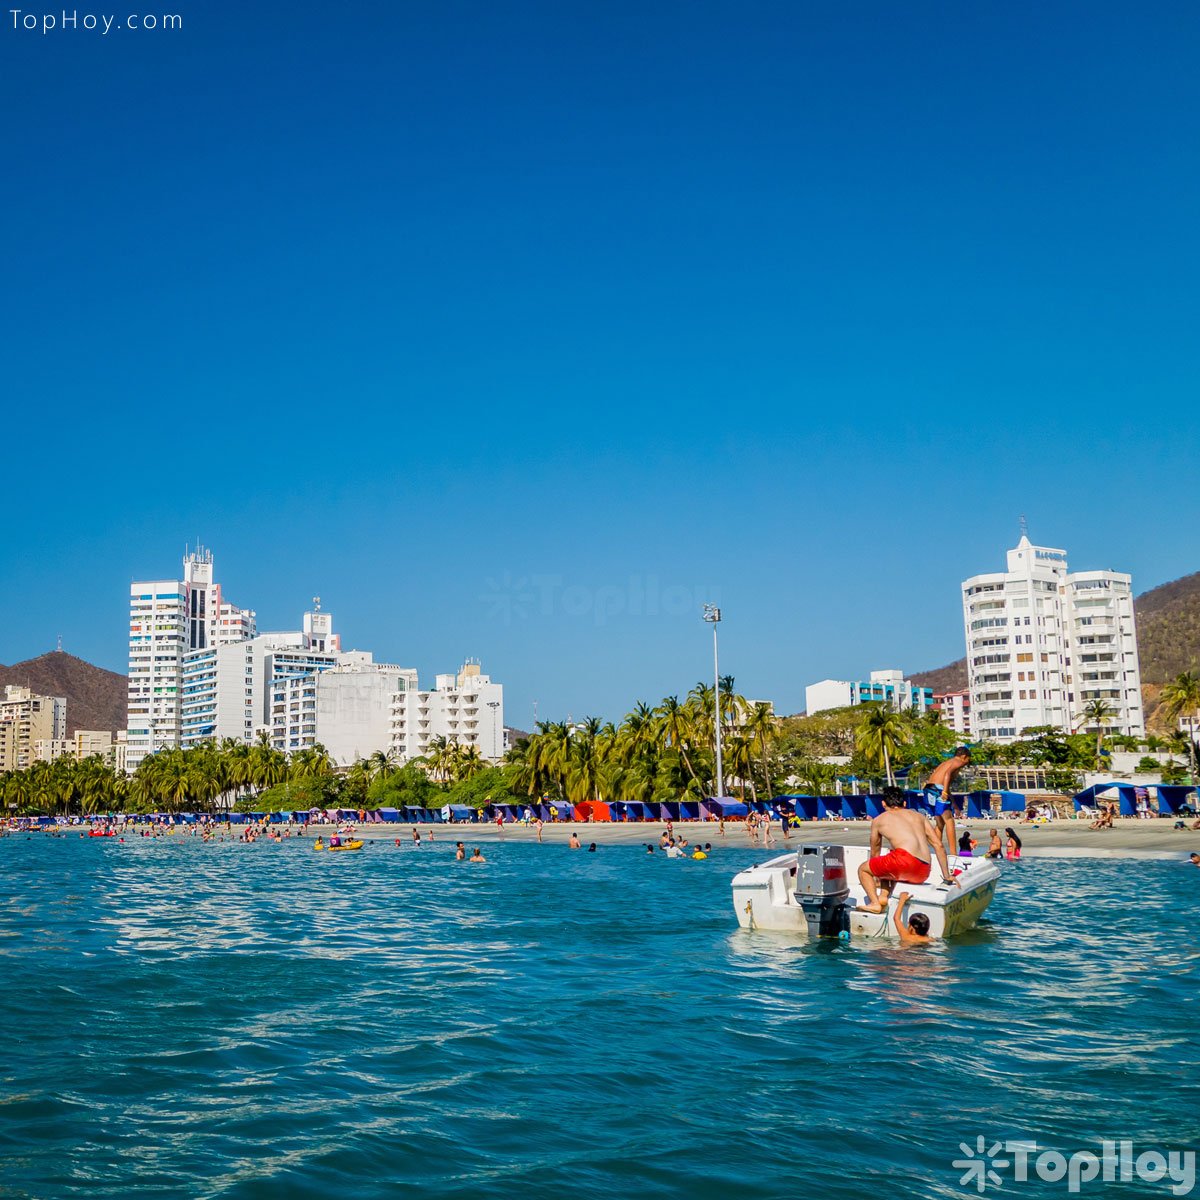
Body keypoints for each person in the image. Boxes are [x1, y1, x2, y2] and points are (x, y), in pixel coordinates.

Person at [858, 786, 956, 914]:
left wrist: (876, 877)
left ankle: (875, 903)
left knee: (863, 869)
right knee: (889, 859)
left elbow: (875, 852)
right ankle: (883, 896)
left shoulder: (879, 820)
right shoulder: (920, 817)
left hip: (903, 863)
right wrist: (947, 876)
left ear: (883, 804)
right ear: (904, 803)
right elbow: (939, 845)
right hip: (923, 871)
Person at [924, 746, 971, 855]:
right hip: (938, 790)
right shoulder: (957, 761)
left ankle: (938, 851)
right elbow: (947, 774)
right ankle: (953, 854)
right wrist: (944, 792)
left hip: (929, 789)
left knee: (940, 823)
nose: (968, 762)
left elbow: (945, 783)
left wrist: (954, 805)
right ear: (964, 756)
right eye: (968, 759)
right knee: (949, 821)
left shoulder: (946, 763)